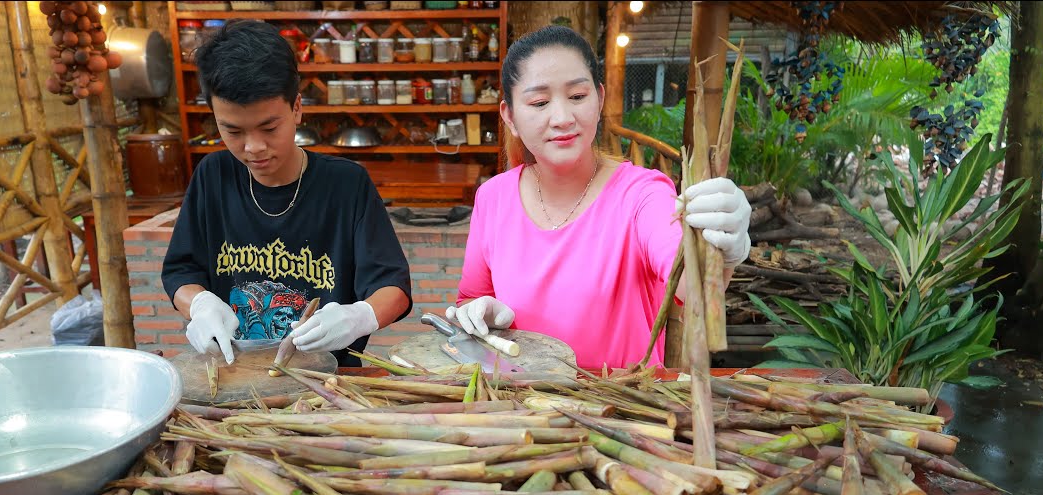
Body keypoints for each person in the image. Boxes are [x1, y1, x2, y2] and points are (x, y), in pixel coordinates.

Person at [448, 25, 752, 369]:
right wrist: (482, 314)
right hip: (521, 399)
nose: (562, 118)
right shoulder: (493, 198)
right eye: (539, 103)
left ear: (600, 99)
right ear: (510, 117)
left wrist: (724, 251)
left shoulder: (643, 194)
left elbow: (692, 286)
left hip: (621, 399)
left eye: (578, 96)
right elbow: (470, 299)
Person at [162, 20, 412, 368]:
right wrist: (200, 304)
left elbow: (393, 287)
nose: (253, 147)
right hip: (235, 376)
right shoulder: (212, 176)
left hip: (328, 380)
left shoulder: (346, 184)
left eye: (269, 127)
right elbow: (181, 271)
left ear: (296, 107)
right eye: (232, 130)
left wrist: (361, 316)